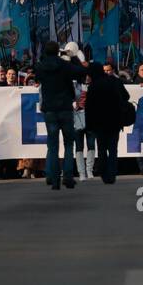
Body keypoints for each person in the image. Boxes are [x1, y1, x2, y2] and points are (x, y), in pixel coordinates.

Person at [35, 40, 90, 190]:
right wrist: (73, 57)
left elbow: (37, 75)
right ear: (58, 52)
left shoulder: (41, 66)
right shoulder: (64, 65)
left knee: (52, 145)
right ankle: (68, 176)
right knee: (68, 143)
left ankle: (54, 178)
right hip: (65, 107)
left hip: (50, 110)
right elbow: (82, 72)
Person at [85, 62, 131, 183]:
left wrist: (89, 124)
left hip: (99, 123)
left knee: (101, 148)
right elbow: (126, 96)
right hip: (115, 121)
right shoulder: (115, 81)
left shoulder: (93, 86)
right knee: (113, 149)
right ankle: (111, 173)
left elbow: (89, 107)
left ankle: (104, 173)